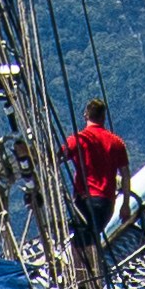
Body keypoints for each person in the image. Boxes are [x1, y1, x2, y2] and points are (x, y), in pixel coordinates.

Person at [60, 95, 129, 248]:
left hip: (84, 201)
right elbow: (125, 175)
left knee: (81, 244)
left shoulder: (78, 140)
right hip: (106, 204)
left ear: (86, 115)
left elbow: (56, 157)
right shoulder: (116, 143)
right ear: (103, 117)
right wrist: (125, 204)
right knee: (90, 239)